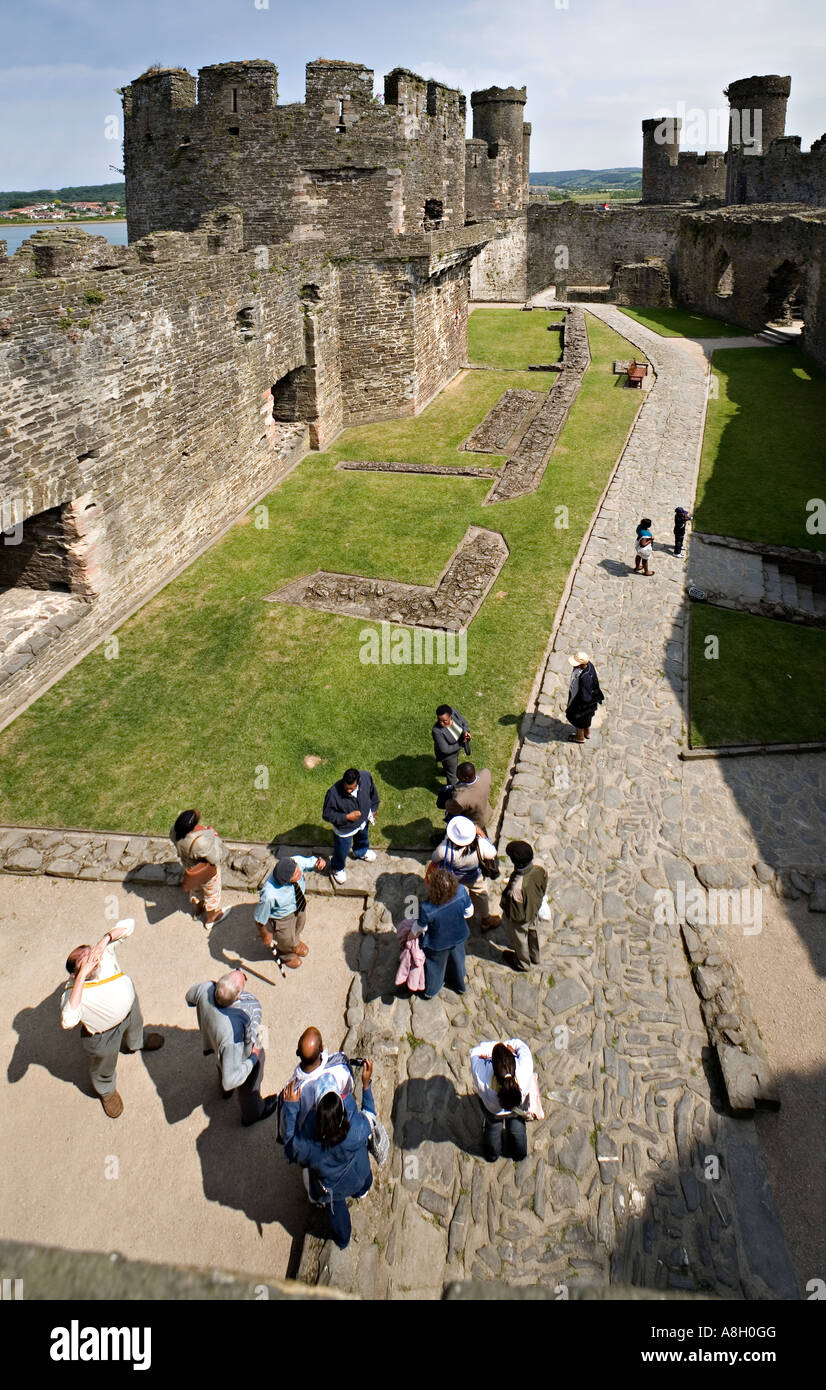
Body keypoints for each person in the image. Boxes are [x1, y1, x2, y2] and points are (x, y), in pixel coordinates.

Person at [60, 918, 164, 1118]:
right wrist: (83, 976)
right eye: (84, 962)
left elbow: (129, 925)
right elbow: (69, 1020)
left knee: (136, 1029)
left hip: (130, 1011)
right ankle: (106, 1090)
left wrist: (103, 941)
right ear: (74, 975)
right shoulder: (72, 991)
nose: (92, 961)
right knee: (104, 1065)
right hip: (103, 1036)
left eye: (90, 954)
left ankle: (137, 1043)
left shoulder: (103, 954)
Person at [281, 1058, 377, 1249]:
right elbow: (370, 1114)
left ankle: (343, 1239)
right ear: (342, 1105)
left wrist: (291, 1108)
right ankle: (362, 1191)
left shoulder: (307, 1147)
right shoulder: (357, 1129)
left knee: (337, 1211)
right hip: (358, 1172)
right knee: (364, 1181)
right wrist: (366, 1085)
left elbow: (290, 1149)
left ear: (316, 1109)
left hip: (332, 1189)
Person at [185, 970, 278, 1127]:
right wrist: (254, 1056)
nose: (239, 972)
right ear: (238, 996)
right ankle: (253, 1113)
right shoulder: (249, 1009)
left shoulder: (205, 988)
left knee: (222, 1063)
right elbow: (231, 1079)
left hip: (215, 1045)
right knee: (250, 1082)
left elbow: (189, 998)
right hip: (239, 1052)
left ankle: (225, 1093)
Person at [254, 854, 326, 969]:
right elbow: (259, 918)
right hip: (282, 917)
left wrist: (319, 863)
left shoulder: (295, 863)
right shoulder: (269, 895)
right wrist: (265, 934)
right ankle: (286, 954)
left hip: (299, 903)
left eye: (298, 870)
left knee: (300, 924)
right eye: (296, 874)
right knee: (285, 939)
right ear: (286, 881)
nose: (300, 873)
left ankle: (295, 942)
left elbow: (310, 862)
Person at [470, 1038, 535, 1163]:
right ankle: (519, 1154)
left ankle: (492, 1155)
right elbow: (520, 1045)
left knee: (492, 1129)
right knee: (517, 1128)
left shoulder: (482, 1076)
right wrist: (506, 1046)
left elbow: (474, 1052)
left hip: (493, 1111)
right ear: (514, 1063)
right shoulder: (525, 1067)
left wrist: (494, 1050)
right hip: (517, 1106)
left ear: (493, 1066)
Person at [430, 815, 500, 928]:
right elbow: (492, 852)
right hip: (475, 878)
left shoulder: (444, 850)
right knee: (481, 894)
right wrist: (482, 834)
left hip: (453, 878)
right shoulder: (481, 845)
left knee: (451, 897)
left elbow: (434, 858)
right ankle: (485, 919)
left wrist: (445, 840)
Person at [417, 866, 473, 998]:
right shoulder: (461, 891)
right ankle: (459, 984)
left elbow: (421, 928)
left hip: (437, 944)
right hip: (459, 935)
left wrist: (410, 935)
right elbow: (469, 912)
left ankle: (431, 990)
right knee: (458, 960)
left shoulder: (427, 908)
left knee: (436, 967)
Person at [284, 1027, 354, 1129]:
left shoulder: (292, 1092)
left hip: (308, 1135)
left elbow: (286, 1125)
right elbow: (350, 1087)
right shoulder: (340, 1066)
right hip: (339, 1119)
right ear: (321, 1048)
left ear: (297, 1052)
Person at [322, 768, 379, 885]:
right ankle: (337, 868)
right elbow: (327, 815)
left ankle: (361, 852)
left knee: (363, 838)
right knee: (342, 850)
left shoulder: (366, 777)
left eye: (351, 788)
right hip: (344, 830)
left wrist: (373, 808)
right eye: (346, 787)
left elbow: (373, 793)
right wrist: (346, 817)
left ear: (358, 782)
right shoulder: (333, 793)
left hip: (363, 821)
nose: (348, 791)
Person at [170, 809, 226, 929]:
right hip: (206, 873)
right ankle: (211, 919)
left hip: (190, 869)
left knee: (196, 891)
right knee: (212, 895)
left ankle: (198, 910)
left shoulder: (174, 832)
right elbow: (216, 858)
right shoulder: (200, 843)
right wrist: (215, 837)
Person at [500, 840, 549, 972]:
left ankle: (523, 963)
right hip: (535, 906)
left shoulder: (517, 888)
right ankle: (535, 956)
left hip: (521, 917)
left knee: (520, 939)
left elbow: (516, 915)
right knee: (533, 931)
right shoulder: (540, 864)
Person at [566, 650, 604, 744]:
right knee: (587, 719)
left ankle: (580, 737)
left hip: (584, 704)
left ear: (581, 664)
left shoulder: (585, 678)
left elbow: (584, 697)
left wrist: (576, 706)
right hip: (591, 702)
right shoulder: (589, 666)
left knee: (578, 718)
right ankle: (587, 733)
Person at [444, 762, 493, 833]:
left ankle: (446, 835)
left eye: (458, 775)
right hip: (485, 812)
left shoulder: (461, 799)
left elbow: (450, 807)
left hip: (474, 822)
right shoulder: (485, 773)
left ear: (466, 778)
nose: (457, 777)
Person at [432, 705, 471, 784]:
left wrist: (465, 732)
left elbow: (464, 723)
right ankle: (452, 792)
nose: (441, 723)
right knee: (452, 775)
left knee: (450, 768)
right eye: (439, 720)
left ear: (450, 716)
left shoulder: (454, 712)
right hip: (449, 756)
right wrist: (461, 743)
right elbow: (445, 749)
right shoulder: (436, 731)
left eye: (444, 721)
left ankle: (446, 770)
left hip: (456, 748)